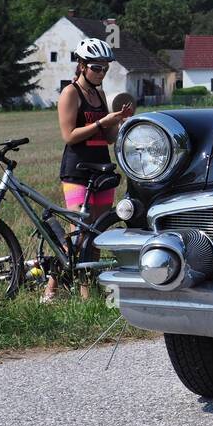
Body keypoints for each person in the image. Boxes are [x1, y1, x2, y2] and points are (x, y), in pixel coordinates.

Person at [49, 37, 133, 301]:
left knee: (97, 230)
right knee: (78, 231)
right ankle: (51, 284)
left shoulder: (100, 94)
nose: (101, 73)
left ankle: (87, 290)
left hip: (102, 167)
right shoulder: (70, 93)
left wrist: (118, 121)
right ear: (82, 65)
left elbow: (108, 138)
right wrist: (101, 123)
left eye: (105, 68)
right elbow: (69, 135)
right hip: (77, 168)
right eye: (96, 67)